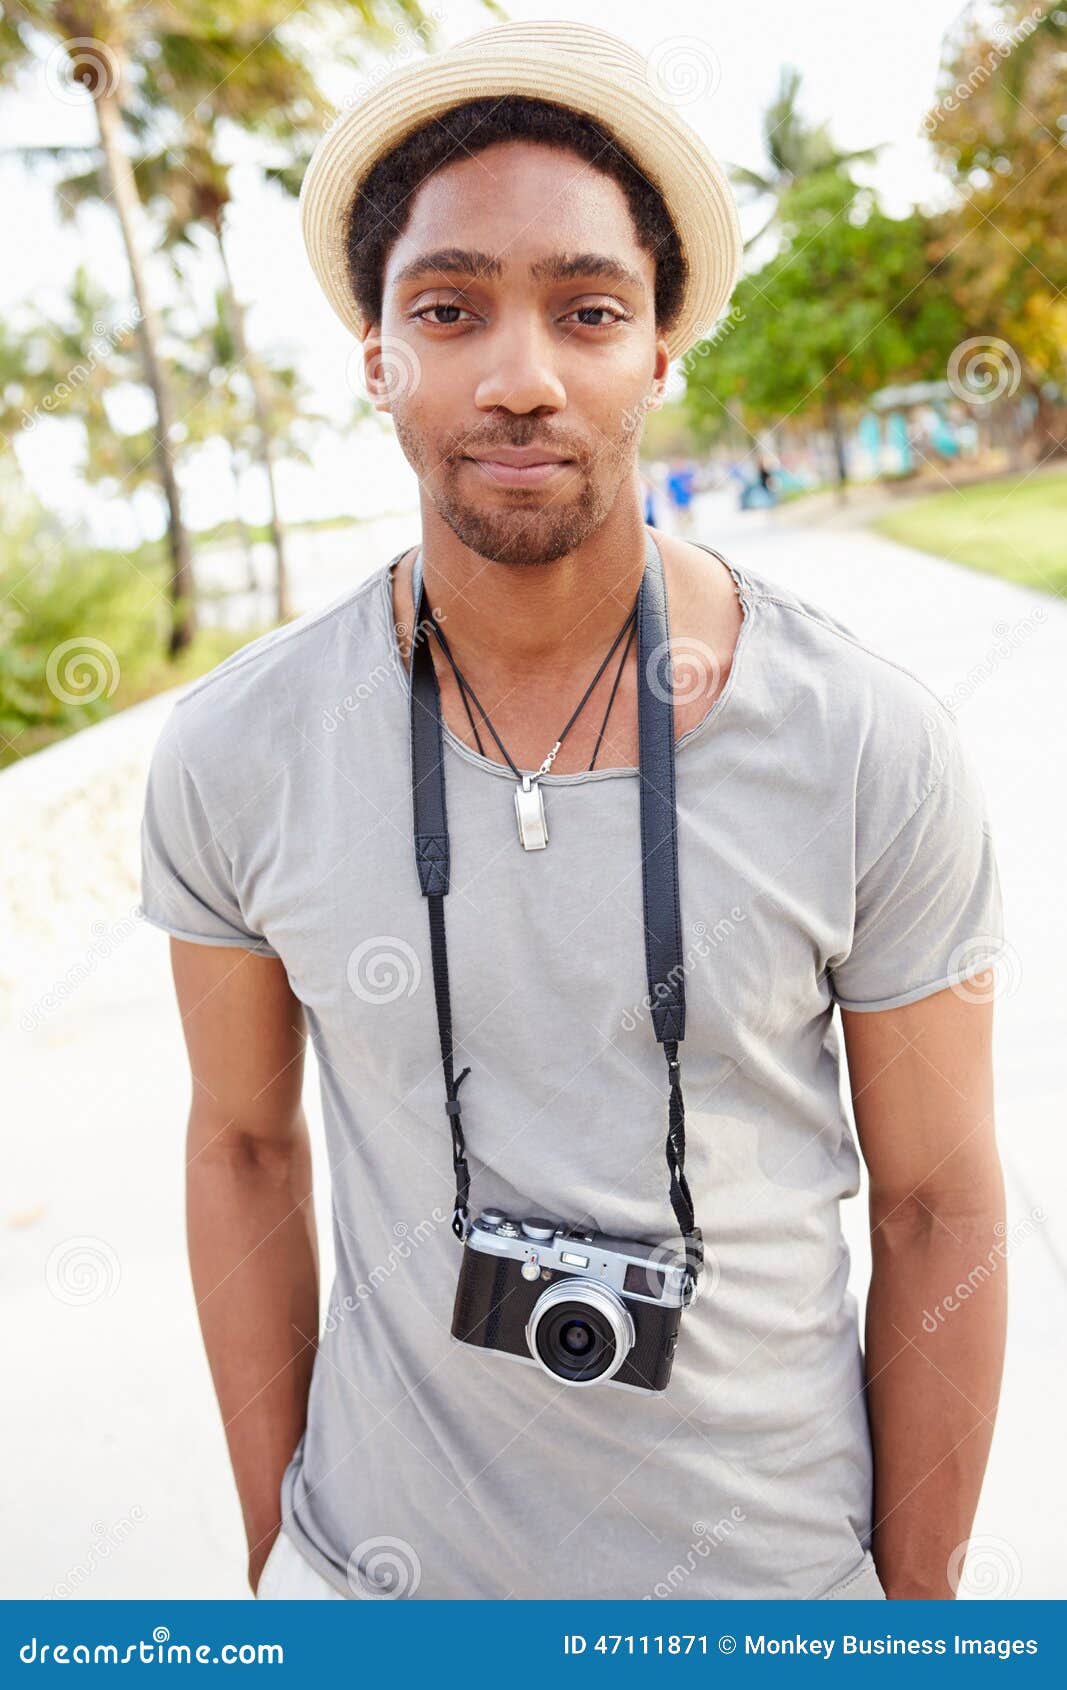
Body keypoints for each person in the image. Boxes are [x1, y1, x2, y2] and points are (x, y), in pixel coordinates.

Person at [140, 20, 1009, 1604]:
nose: (521, 377)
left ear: (663, 348)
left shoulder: (869, 744)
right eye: (450, 308)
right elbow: (246, 1151)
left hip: (771, 1604)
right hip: (373, 1590)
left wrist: (917, 1624)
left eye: (589, 310)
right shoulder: (236, 748)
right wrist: (278, 1566)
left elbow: (945, 1200)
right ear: (377, 354)